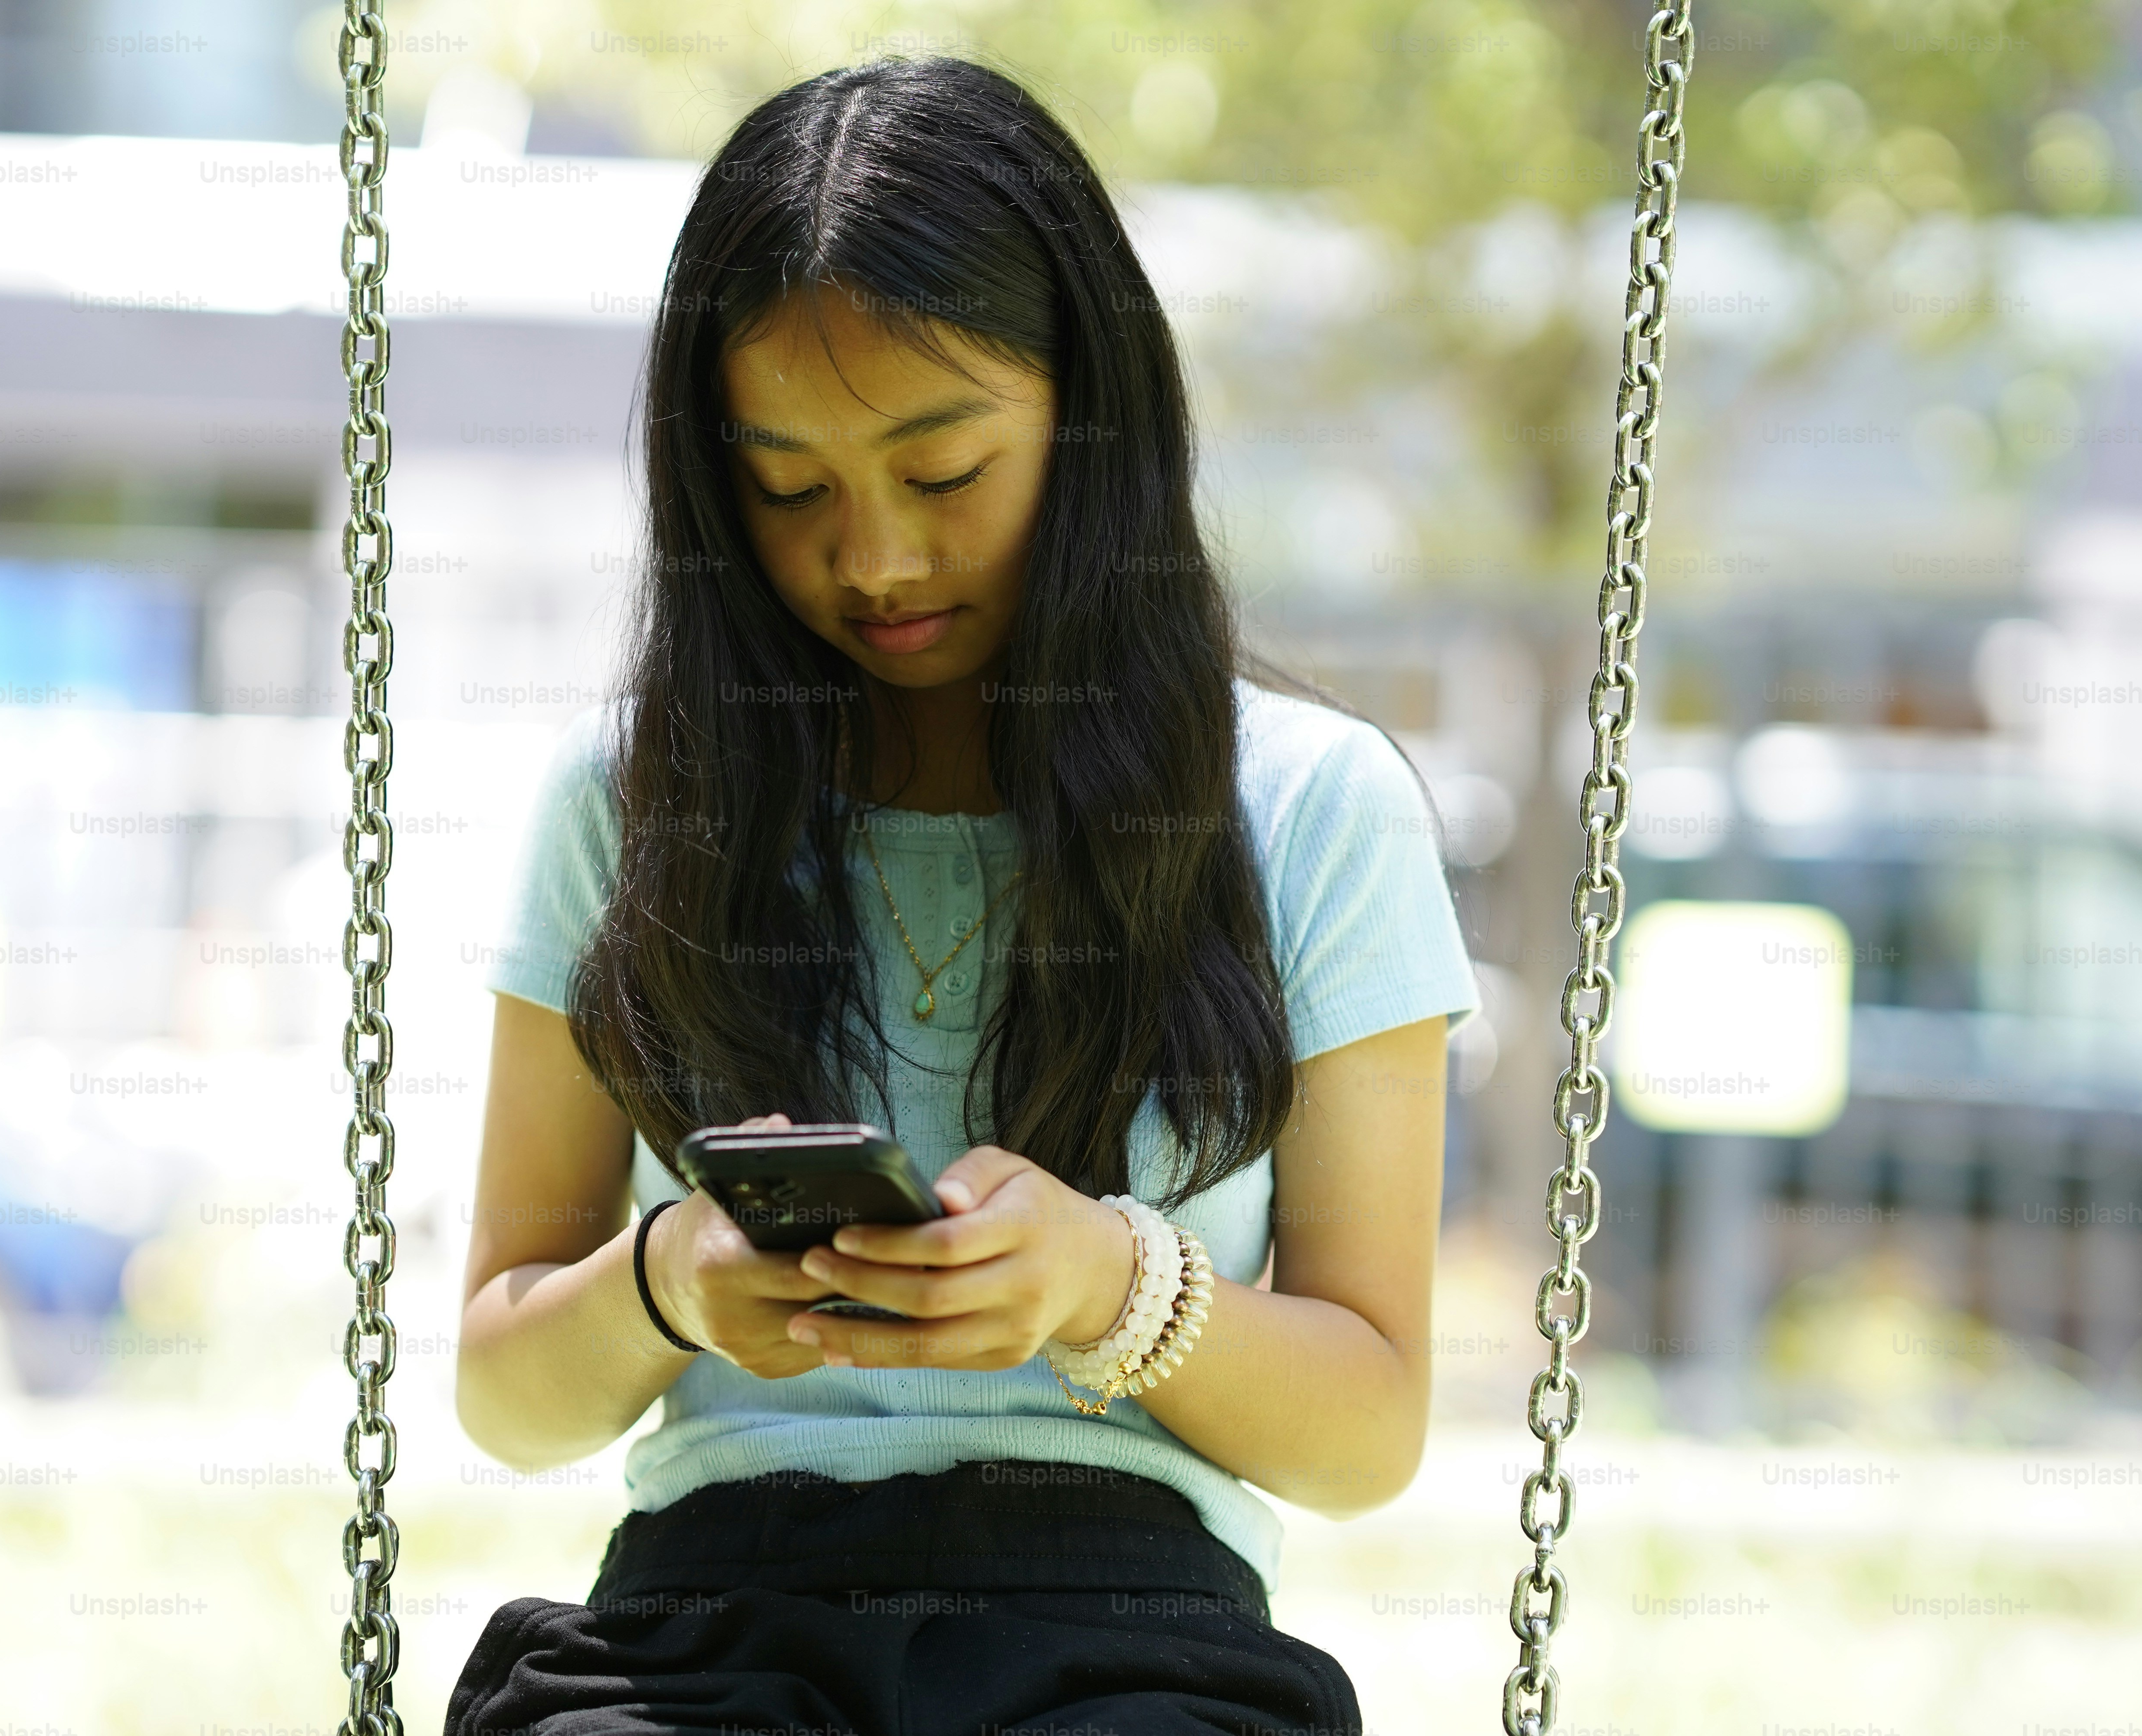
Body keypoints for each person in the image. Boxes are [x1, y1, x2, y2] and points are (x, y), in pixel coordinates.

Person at [448, 54, 1481, 1736]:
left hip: (1128, 1632)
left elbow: (1366, 1430)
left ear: (1094, 418)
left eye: (941, 472)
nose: (876, 557)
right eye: (789, 487)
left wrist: (1110, 1290)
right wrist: (669, 1283)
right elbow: (504, 1386)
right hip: (712, 1618)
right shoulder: (632, 803)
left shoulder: (1310, 809)